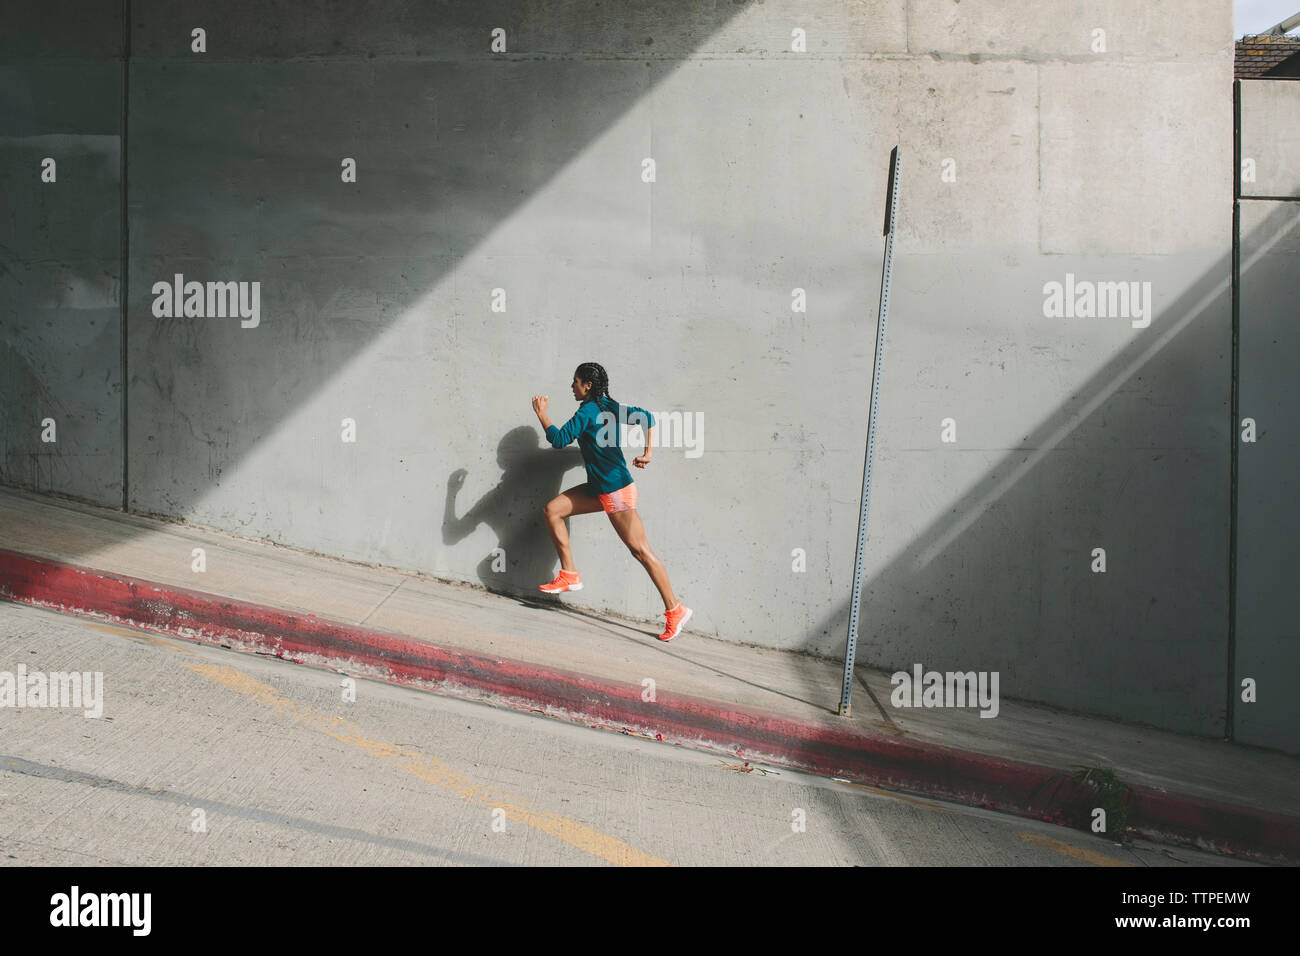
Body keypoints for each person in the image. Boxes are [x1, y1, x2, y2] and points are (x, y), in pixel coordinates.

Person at [531, 362, 692, 642]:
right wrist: (647, 453)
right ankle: (569, 573)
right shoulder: (609, 406)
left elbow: (558, 439)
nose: (572, 386)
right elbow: (647, 418)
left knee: (640, 551)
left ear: (587, 386)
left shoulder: (587, 412)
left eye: (576, 382)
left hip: (615, 490)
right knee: (553, 510)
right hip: (600, 487)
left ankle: (675, 609)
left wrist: (542, 415)